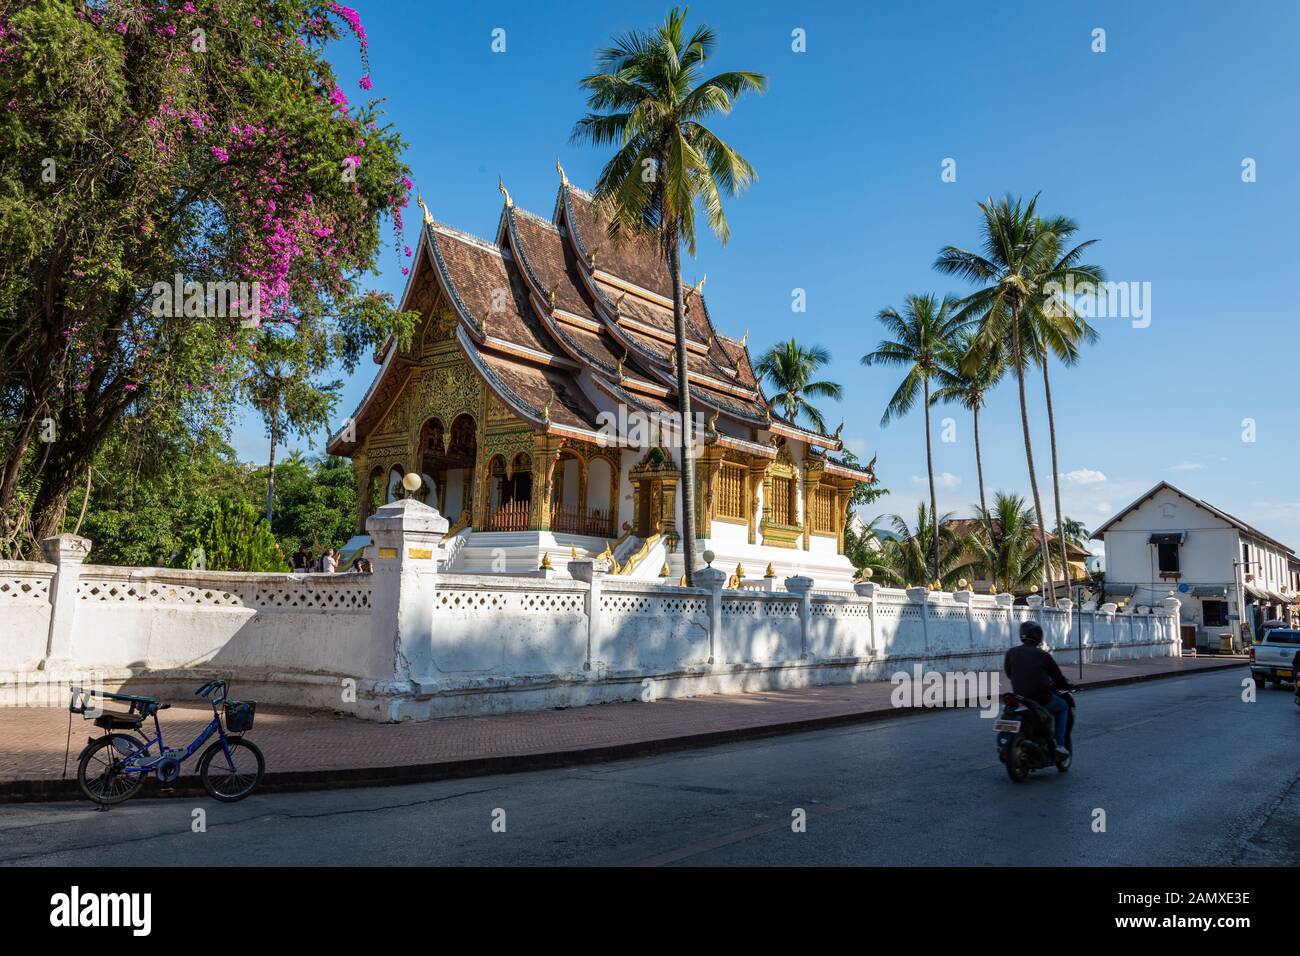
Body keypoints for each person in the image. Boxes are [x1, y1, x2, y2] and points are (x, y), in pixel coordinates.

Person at [1004, 620, 1074, 757]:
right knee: (1063, 707)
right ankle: (1059, 745)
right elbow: (1057, 677)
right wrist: (1066, 686)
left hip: (1020, 698)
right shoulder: (1043, 655)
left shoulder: (1011, 652)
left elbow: (1008, 673)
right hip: (1041, 698)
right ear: (1037, 636)